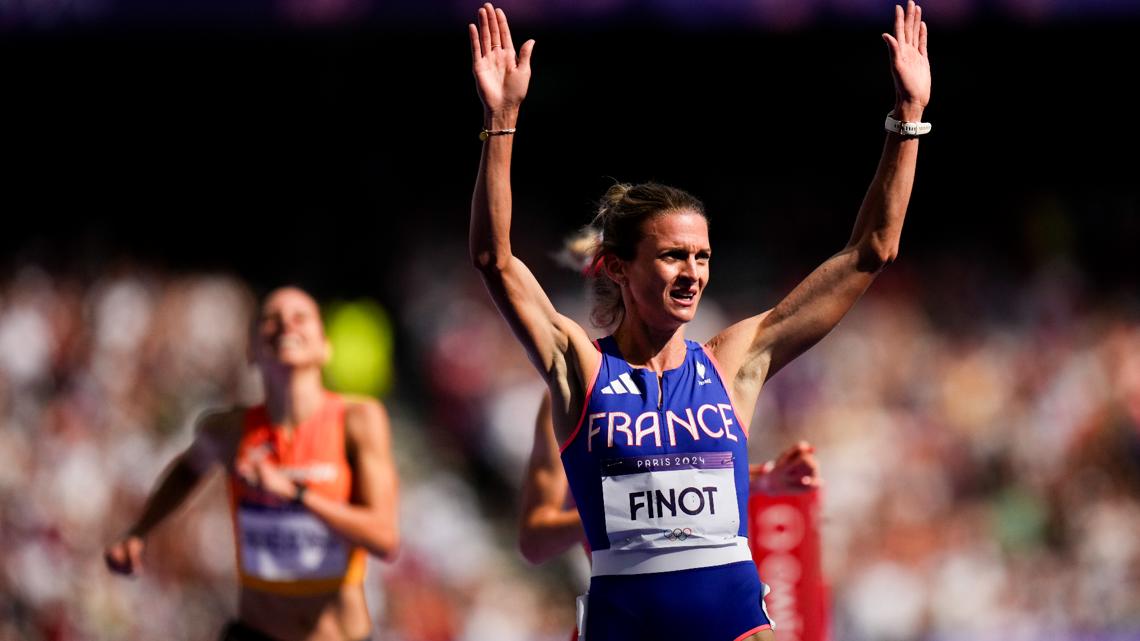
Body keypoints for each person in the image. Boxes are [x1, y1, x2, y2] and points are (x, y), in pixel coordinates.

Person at [468, 1, 930, 639]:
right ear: (617, 269)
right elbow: (494, 259)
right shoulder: (580, 368)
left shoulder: (734, 360)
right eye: (671, 255)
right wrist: (502, 123)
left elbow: (869, 253)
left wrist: (907, 120)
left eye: (702, 256)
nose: (692, 271)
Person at [104, 286, 400, 641]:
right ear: (251, 351)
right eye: (271, 320)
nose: (286, 326)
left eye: (300, 317)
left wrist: (296, 494)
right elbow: (186, 470)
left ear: (325, 347)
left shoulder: (358, 420)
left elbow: (384, 538)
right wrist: (140, 531)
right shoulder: (227, 432)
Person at [519, 388, 821, 566]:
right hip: (624, 617)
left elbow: (684, 483)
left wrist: (770, 478)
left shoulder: (705, 376)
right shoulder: (573, 391)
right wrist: (627, 508)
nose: (690, 278)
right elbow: (535, 541)